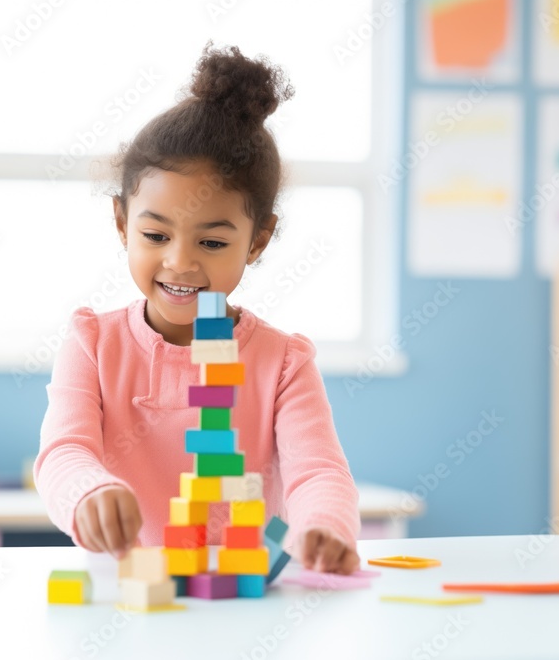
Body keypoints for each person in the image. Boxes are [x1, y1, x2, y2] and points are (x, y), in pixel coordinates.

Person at [34, 41, 360, 574]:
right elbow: (63, 452)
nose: (179, 263)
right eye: (156, 234)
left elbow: (317, 472)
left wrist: (323, 525)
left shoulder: (282, 363)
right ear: (122, 224)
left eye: (211, 243)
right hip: (133, 595)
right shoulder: (93, 343)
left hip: (245, 597)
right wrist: (87, 492)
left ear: (257, 241)